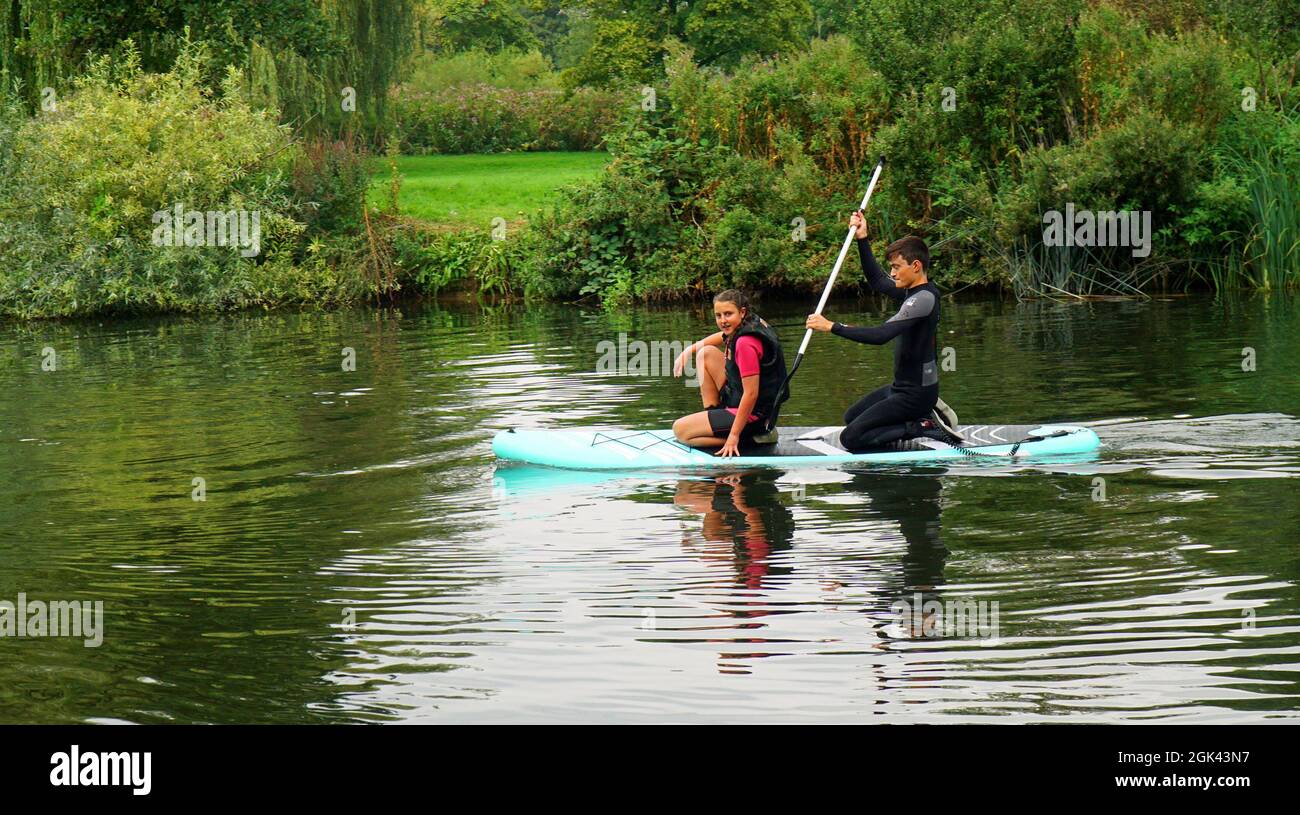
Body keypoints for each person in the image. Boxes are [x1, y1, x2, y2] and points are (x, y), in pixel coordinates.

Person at [805, 213, 940, 451]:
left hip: (917, 396)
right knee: (851, 417)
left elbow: (881, 336)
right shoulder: (910, 291)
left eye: (897, 267)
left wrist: (832, 326)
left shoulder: (925, 298)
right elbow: (877, 280)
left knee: (851, 439)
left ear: (916, 266)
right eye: (892, 267)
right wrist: (862, 238)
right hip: (901, 388)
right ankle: (911, 422)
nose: (894, 273)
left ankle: (921, 426)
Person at [672, 289, 789, 456]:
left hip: (755, 417)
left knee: (681, 431)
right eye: (718, 315)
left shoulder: (745, 343)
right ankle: (713, 417)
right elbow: (721, 336)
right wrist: (688, 350)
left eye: (728, 314)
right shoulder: (747, 324)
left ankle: (751, 439)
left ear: (742, 312)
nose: (723, 320)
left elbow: (751, 394)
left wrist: (733, 436)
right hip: (743, 402)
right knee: (705, 354)